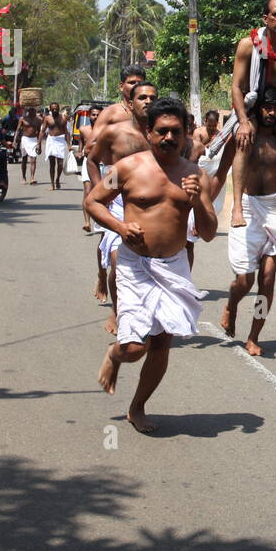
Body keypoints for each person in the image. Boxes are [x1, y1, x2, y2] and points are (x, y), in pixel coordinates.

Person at [85, 97, 217, 434]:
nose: (169, 138)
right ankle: (116, 355)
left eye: (176, 132)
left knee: (161, 343)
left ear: (186, 134)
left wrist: (196, 202)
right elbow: (94, 202)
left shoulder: (194, 175)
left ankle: (137, 407)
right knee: (135, 347)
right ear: (149, 131)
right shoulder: (127, 168)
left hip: (173, 267)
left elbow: (210, 231)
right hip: (134, 265)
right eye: (162, 132)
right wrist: (119, 227)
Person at [209, 0, 276, 229]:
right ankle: (235, 208)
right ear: (265, 18)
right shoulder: (248, 45)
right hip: (251, 108)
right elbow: (236, 87)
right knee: (239, 145)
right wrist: (243, 121)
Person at [221, 85, 276, 357]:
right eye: (267, 107)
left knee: (267, 278)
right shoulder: (247, 134)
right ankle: (232, 303)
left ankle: (254, 336)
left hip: (272, 205)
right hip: (247, 205)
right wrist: (237, 208)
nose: (271, 112)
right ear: (258, 107)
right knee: (245, 281)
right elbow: (236, 167)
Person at [84, 76, 157, 326]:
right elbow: (91, 158)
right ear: (130, 102)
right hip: (116, 197)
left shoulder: (162, 133)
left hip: (150, 203)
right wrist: (99, 193)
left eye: (152, 98)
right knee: (116, 258)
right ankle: (116, 309)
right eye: (142, 97)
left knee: (148, 260)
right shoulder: (114, 129)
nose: (148, 102)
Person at [78, 106, 102, 233]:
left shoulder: (107, 130)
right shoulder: (83, 129)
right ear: (89, 116)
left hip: (105, 164)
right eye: (93, 115)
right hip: (88, 163)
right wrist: (79, 152)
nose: (96, 117)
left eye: (98, 115)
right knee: (87, 192)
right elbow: (82, 142)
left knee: (109, 192)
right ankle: (87, 222)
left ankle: (104, 221)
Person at [40, 102, 70, 189]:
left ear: (58, 108)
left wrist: (69, 145)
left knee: (60, 164)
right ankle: (52, 184)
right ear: (50, 109)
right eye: (53, 108)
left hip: (60, 141)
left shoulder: (63, 118)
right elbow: (42, 131)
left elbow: (66, 132)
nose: (54, 109)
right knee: (52, 164)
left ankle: (57, 179)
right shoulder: (47, 118)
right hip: (51, 140)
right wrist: (39, 144)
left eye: (56, 108)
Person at [16, 107, 41, 184]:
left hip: (33, 140)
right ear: (28, 111)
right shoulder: (22, 119)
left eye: (34, 110)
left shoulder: (38, 120)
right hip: (25, 139)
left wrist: (39, 144)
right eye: (31, 110)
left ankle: (32, 178)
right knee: (24, 159)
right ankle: (23, 178)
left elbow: (40, 132)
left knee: (33, 160)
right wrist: (14, 140)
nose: (32, 111)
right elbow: (18, 130)